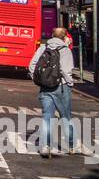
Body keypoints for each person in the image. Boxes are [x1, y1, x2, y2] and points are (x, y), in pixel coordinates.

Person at [28, 27, 78, 158]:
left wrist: (38, 79)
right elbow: (67, 71)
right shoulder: (65, 50)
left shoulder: (43, 48)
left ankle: (45, 146)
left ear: (52, 35)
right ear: (65, 37)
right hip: (61, 87)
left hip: (45, 87)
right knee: (65, 117)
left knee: (47, 117)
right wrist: (70, 84)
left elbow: (32, 65)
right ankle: (72, 145)